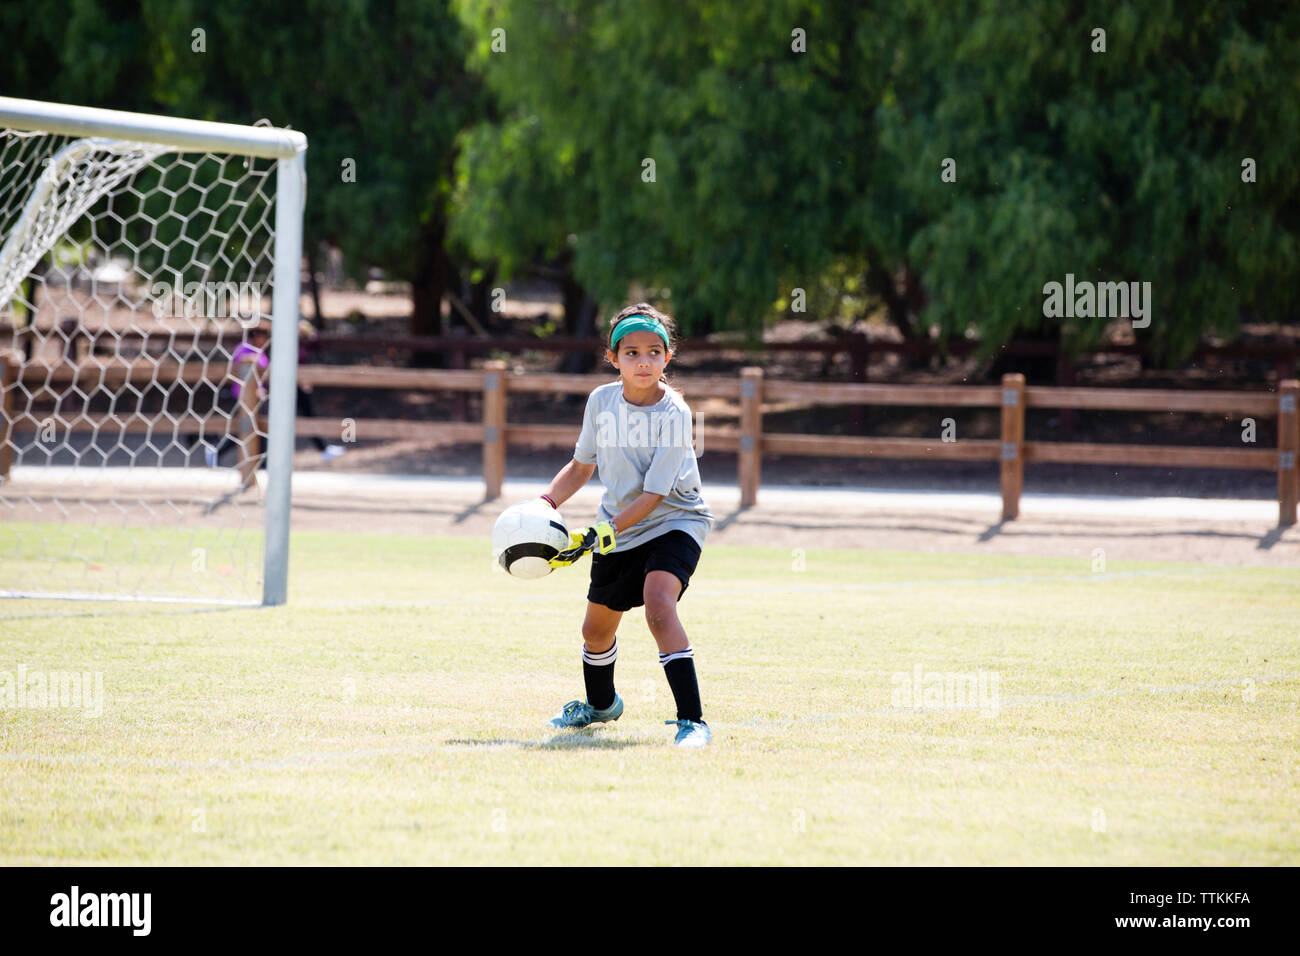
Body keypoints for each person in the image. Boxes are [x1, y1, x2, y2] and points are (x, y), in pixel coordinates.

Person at [539, 303, 716, 747]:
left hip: (675, 520)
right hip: (618, 527)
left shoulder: (675, 414)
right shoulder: (601, 401)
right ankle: (600, 706)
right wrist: (545, 504)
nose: (644, 361)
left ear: (667, 358)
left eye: (654, 352)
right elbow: (581, 468)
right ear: (613, 358)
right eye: (632, 352)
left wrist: (599, 533)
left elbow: (655, 495)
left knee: (659, 604)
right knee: (595, 631)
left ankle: (692, 721)